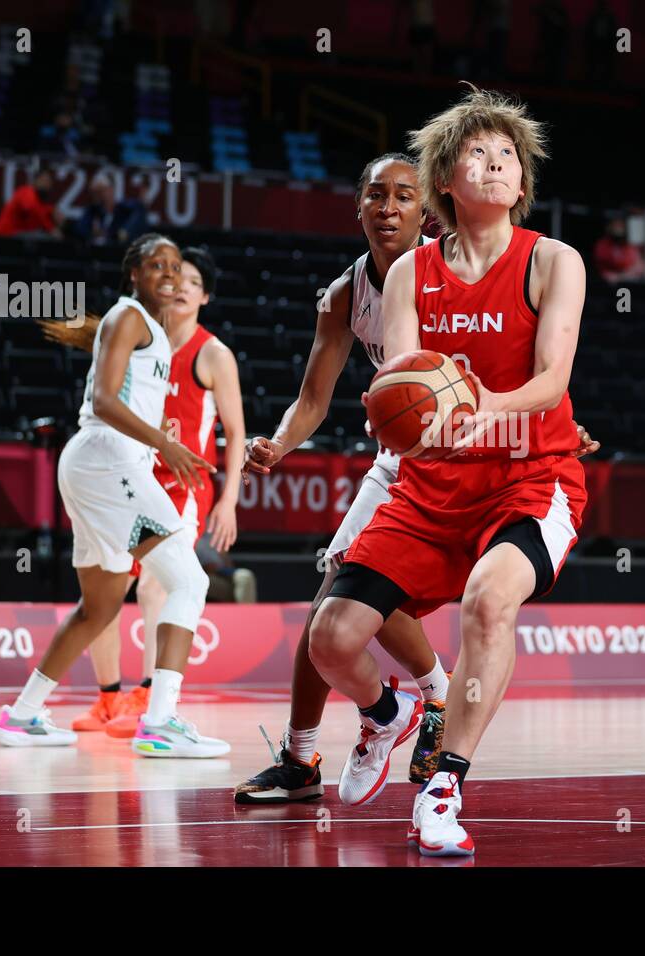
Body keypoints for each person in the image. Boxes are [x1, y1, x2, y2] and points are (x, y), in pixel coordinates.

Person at [308, 86, 590, 856]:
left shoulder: (553, 261)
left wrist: (473, 405)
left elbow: (551, 382)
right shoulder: (411, 275)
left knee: (489, 603)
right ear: (445, 182)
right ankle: (387, 714)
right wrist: (411, 412)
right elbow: (400, 379)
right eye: (478, 155)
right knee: (330, 638)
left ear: (523, 185)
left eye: (508, 158)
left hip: (532, 477)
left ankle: (444, 786)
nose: (496, 167)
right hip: (430, 482)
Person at [233, 153, 453, 804]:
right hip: (402, 460)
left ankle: (429, 702)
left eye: (403, 196)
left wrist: (554, 424)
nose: (388, 207)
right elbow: (313, 399)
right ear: (357, 207)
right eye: (376, 195)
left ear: (425, 212)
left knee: (360, 599)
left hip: (471, 459)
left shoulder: (458, 276)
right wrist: (277, 442)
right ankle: (306, 760)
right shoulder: (343, 295)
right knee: (329, 605)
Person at [0, 234, 228, 758]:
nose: (168, 273)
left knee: (98, 607)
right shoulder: (130, 317)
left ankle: (23, 714)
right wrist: (167, 443)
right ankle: (161, 723)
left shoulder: (142, 326)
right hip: (110, 460)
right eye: (156, 265)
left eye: (175, 264)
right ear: (134, 275)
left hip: (93, 466)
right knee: (189, 580)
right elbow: (102, 400)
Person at [66, 246, 246, 736]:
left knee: (156, 584)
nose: (180, 286)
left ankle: (149, 697)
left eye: (192, 281)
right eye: (174, 277)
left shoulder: (213, 353)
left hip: (184, 486)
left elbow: (236, 432)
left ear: (205, 295)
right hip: (133, 476)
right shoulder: (144, 336)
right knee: (109, 583)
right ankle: (108, 700)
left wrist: (229, 500)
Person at [73, 174, 147, 247]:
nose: (98, 196)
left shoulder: (125, 210)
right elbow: (80, 230)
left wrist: (111, 235)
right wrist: (91, 233)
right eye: (95, 193)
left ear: (111, 190)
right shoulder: (92, 212)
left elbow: (125, 234)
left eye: (101, 191)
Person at [0, 168, 63, 238]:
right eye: (43, 180)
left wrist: (53, 212)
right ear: (35, 181)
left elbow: (41, 209)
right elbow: (32, 208)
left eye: (48, 181)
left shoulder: (41, 201)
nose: (46, 184)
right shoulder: (26, 191)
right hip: (7, 235)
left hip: (19, 235)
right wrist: (50, 228)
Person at [592, 217, 645, 283]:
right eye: (615, 225)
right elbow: (604, 271)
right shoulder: (602, 245)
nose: (618, 228)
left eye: (621, 225)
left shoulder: (631, 245)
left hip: (629, 282)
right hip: (607, 284)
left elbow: (641, 267)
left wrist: (621, 276)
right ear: (609, 227)